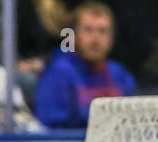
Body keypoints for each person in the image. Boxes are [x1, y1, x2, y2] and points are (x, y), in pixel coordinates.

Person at [33, 1, 135, 130]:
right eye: (88, 30)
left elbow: (131, 124)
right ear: (74, 35)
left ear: (112, 37)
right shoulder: (59, 73)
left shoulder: (120, 75)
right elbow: (50, 128)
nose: (95, 39)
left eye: (102, 31)